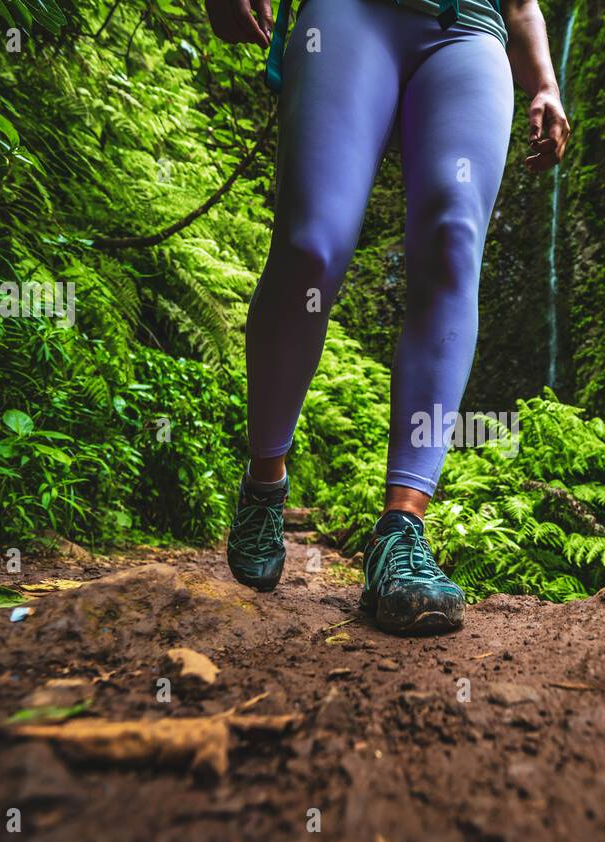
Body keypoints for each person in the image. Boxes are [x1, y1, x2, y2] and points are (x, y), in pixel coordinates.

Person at [207, 0, 570, 634]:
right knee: (310, 245)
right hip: (350, 15)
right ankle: (266, 479)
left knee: (454, 243)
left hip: (471, 27)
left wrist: (543, 79)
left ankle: (401, 532)